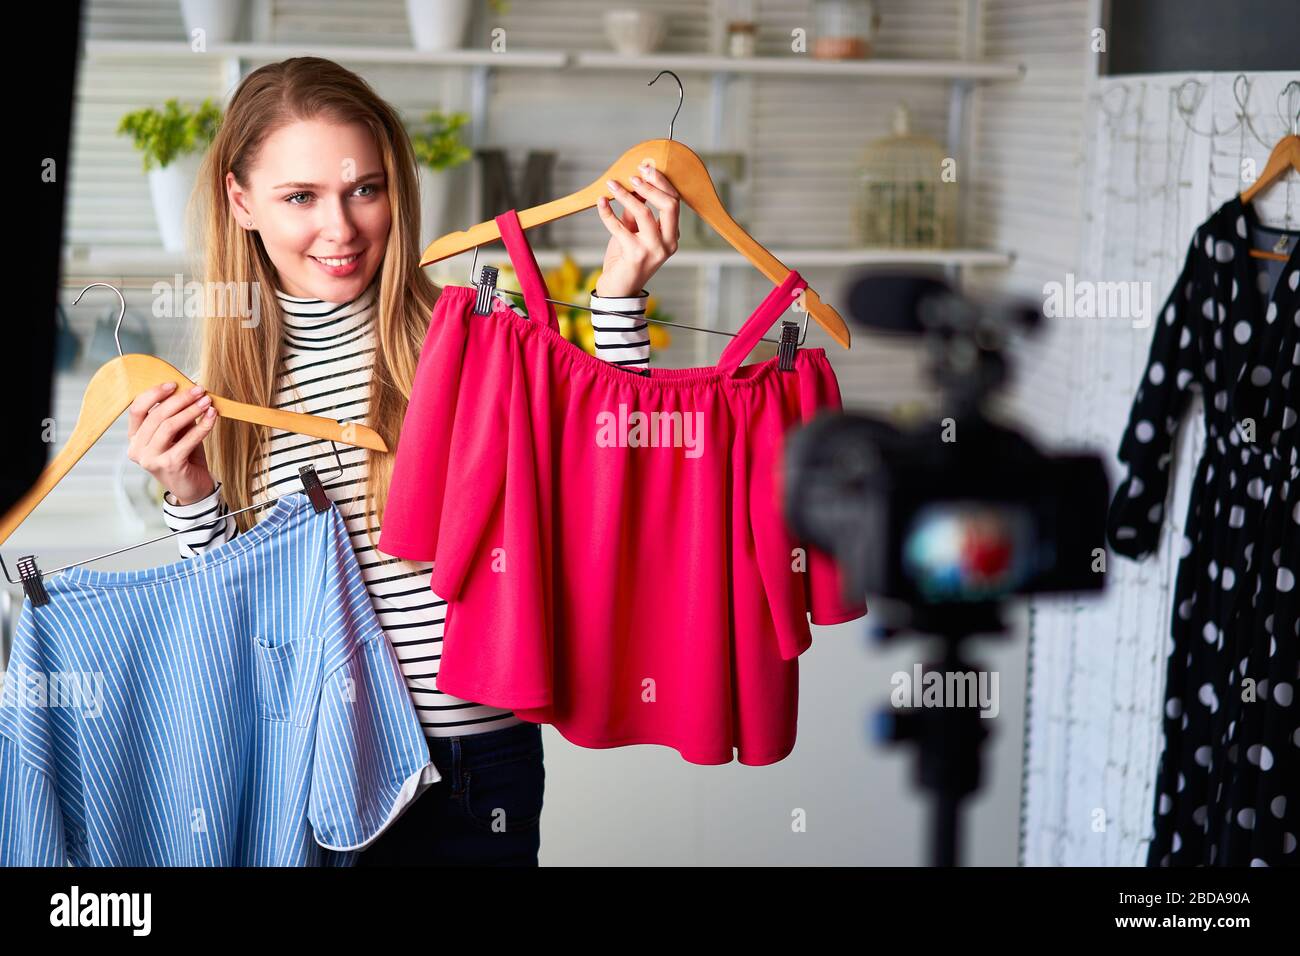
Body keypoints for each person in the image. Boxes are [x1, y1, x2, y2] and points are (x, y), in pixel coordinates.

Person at [125, 57, 680, 866]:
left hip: (470, 770)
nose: (342, 229)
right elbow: (245, 623)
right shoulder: (223, 395)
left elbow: (606, 480)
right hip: (310, 776)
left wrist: (621, 299)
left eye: (365, 189)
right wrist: (191, 495)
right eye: (300, 197)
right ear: (240, 202)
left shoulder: (473, 340)